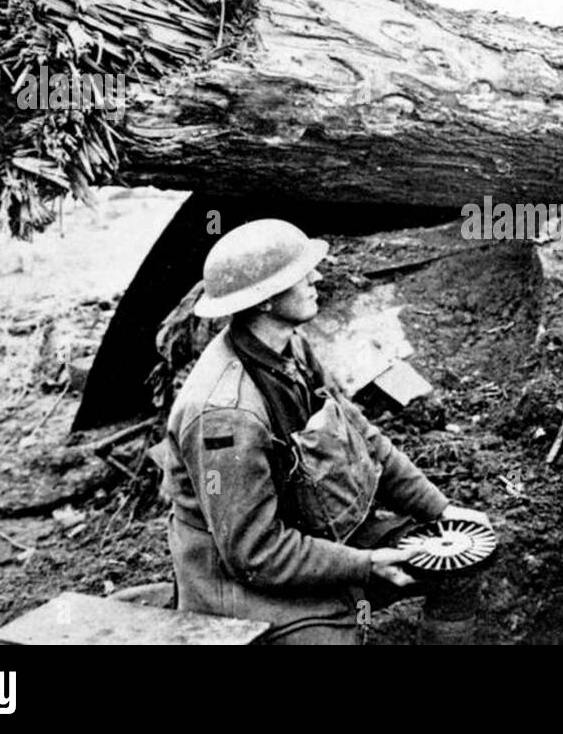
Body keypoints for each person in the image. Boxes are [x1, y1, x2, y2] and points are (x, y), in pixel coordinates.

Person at [160, 218, 490, 644]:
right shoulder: (225, 415)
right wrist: (364, 564)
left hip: (317, 532)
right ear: (263, 301)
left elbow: (362, 438)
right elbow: (253, 553)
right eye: (300, 274)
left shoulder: (290, 348)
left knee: (459, 564)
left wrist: (441, 511)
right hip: (241, 581)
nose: (316, 277)